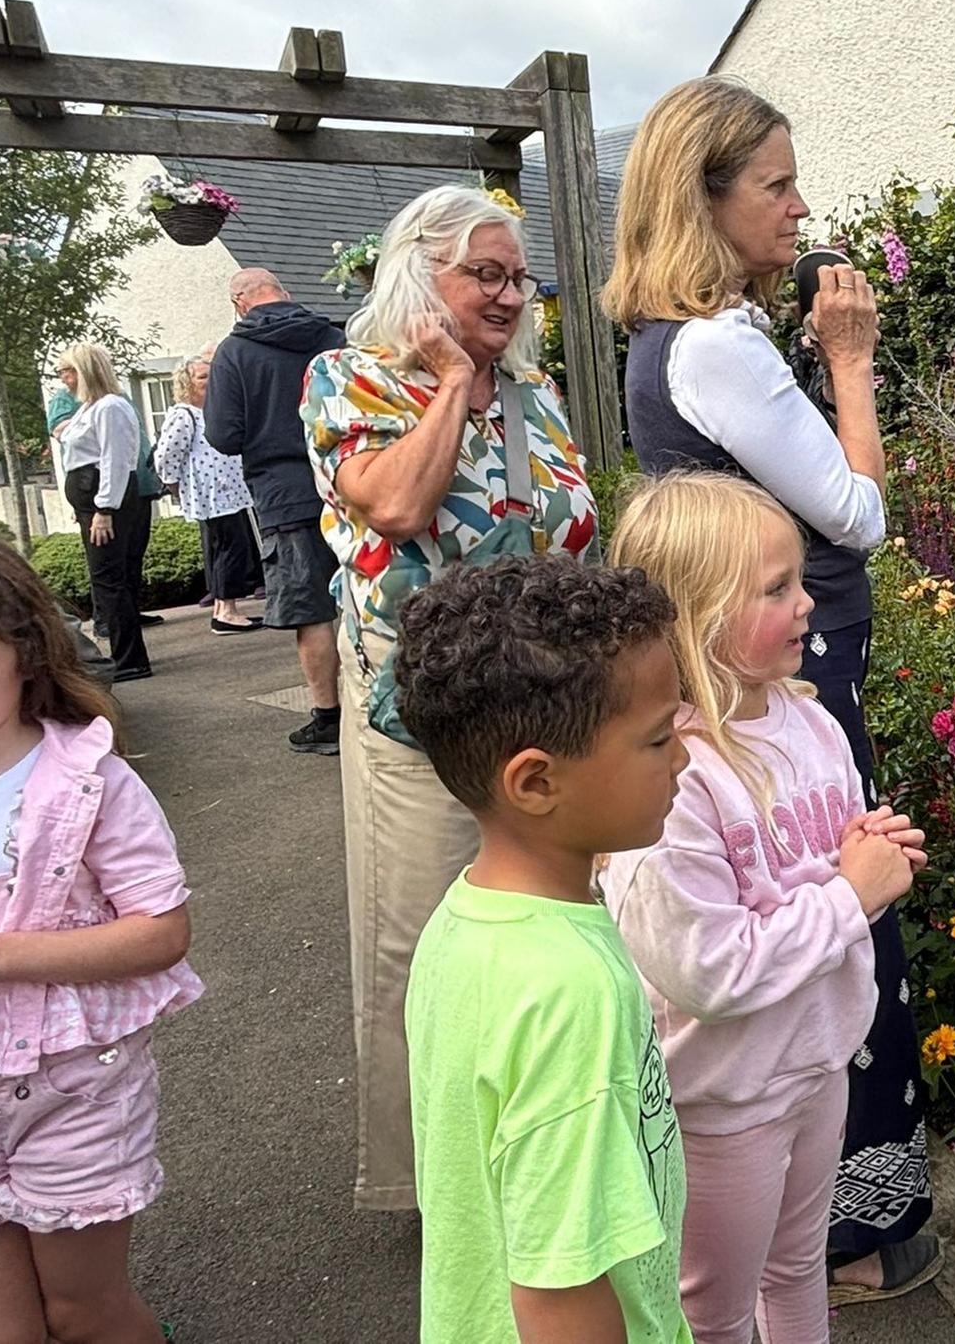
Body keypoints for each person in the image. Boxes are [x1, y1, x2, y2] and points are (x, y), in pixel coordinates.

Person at [604, 75, 939, 1301]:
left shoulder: (668, 340)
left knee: (792, 869)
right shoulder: (715, 344)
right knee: (826, 883)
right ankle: (848, 1228)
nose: (799, 209)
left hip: (753, 663)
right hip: (791, 669)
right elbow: (857, 513)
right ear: (701, 198)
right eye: (775, 184)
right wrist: (848, 364)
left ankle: (810, 1220)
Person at [301, 184, 598, 1213]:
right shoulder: (347, 379)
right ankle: (437, 1184)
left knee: (546, 927)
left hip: (543, 708)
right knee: (422, 940)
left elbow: (572, 529)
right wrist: (450, 381)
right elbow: (396, 503)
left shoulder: (535, 393)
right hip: (418, 710)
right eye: (485, 273)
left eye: (520, 278)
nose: (510, 295)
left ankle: (542, 1152)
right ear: (417, 274)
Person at [601, 472, 927, 1344]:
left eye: (800, 581)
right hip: (724, 1100)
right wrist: (853, 894)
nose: (807, 604)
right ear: (698, 617)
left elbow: (831, 853)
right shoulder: (673, 780)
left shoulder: (809, 721)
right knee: (711, 1310)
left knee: (798, 1268)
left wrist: (873, 848)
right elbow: (710, 970)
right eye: (777, 588)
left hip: (816, 1060)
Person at [392, 556, 690, 1344]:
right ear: (535, 783)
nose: (683, 759)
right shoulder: (570, 992)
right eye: (659, 738)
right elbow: (561, 1290)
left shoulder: (463, 922)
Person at [0, 505, 203, 1343]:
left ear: (25, 653)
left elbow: (160, 931)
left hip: (73, 1093)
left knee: (84, 1312)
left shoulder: (85, 781)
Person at [204, 268, 345, 752]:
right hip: (352, 481)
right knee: (368, 594)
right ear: (285, 293)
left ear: (239, 304)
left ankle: (328, 718)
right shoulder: (334, 338)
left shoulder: (234, 352)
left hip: (286, 495)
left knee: (312, 610)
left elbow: (224, 435)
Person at [54, 344, 154, 682]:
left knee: (110, 579)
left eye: (68, 371)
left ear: (85, 371)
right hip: (91, 497)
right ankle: (125, 655)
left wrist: (104, 508)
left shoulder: (110, 407)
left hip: (104, 500)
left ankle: (130, 659)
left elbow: (115, 460)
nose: (63, 378)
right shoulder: (90, 407)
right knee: (109, 578)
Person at [153, 355, 262, 634]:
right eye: (202, 377)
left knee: (228, 549)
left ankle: (224, 609)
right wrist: (174, 486)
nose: (209, 381)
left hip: (231, 493)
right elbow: (166, 456)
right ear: (187, 382)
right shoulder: (184, 414)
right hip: (212, 496)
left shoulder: (213, 411)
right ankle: (226, 612)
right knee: (230, 550)